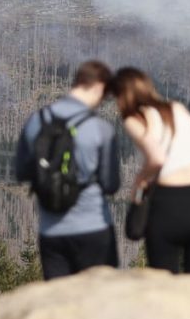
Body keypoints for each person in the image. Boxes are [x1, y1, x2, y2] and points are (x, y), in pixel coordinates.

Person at [14, 60, 121, 280]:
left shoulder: (37, 120)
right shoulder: (101, 128)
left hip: (51, 231)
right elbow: (111, 185)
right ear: (99, 86)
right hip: (94, 228)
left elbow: (21, 172)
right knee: (99, 302)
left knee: (59, 305)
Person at [112, 67, 190, 276]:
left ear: (122, 95)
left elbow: (157, 158)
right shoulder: (177, 108)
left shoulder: (134, 119)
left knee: (165, 286)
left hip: (168, 204)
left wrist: (140, 181)